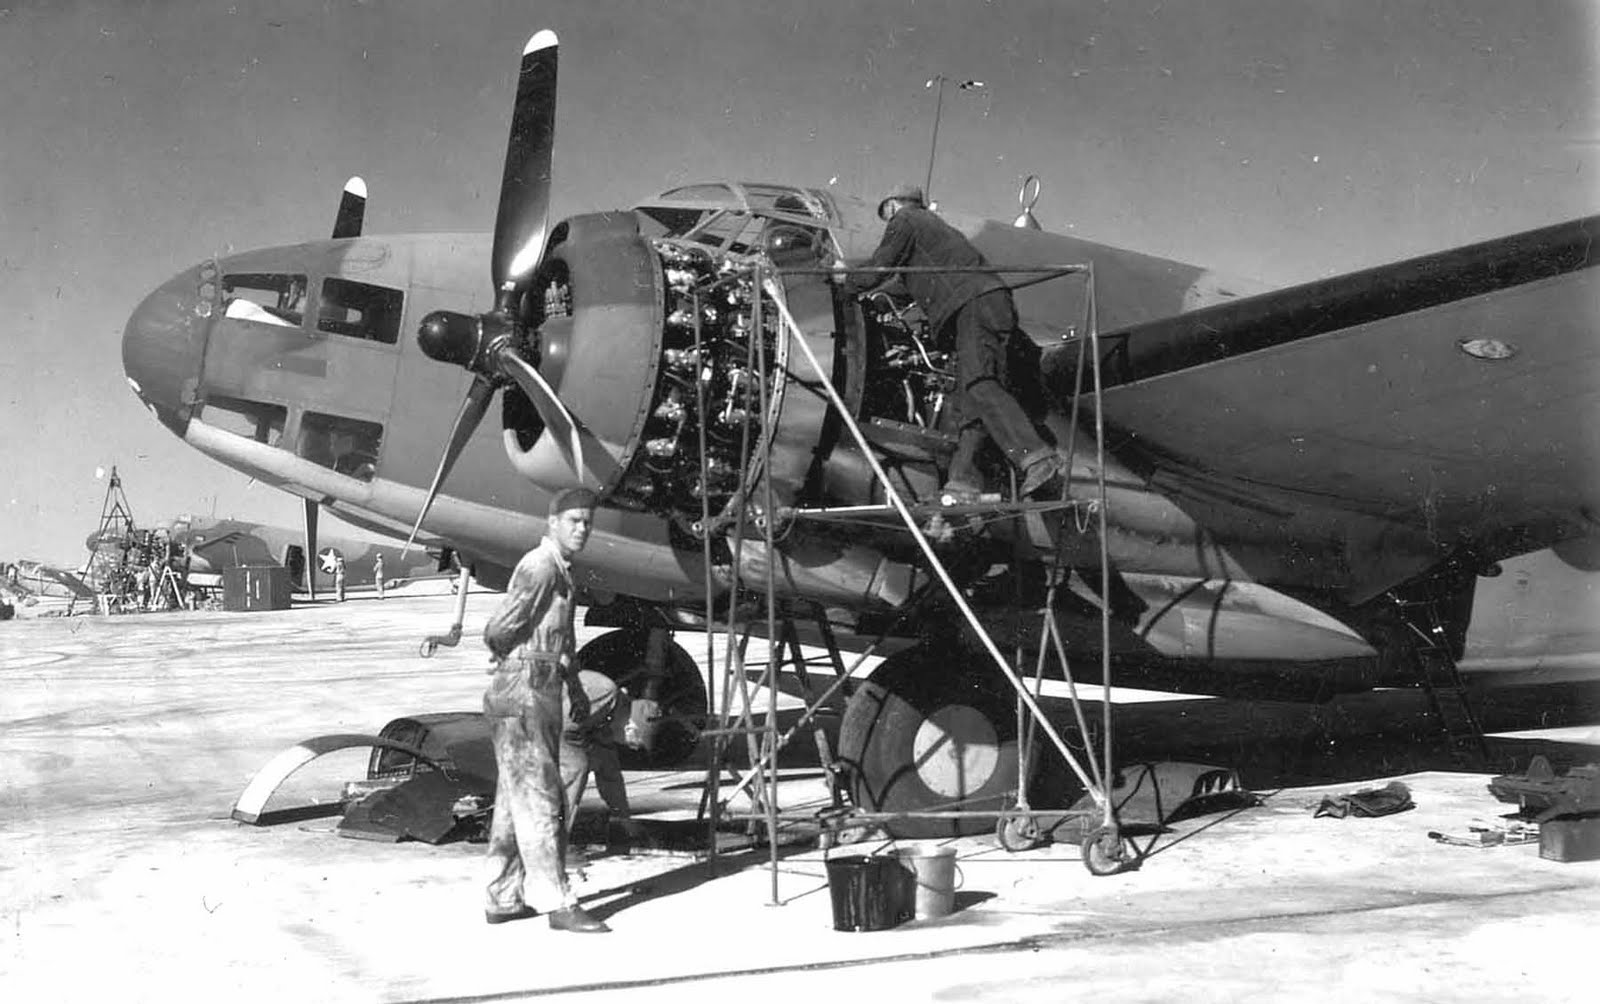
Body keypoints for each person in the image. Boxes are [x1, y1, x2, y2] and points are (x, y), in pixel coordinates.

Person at [841, 183, 1066, 502]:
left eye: (885, 212)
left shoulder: (906, 221)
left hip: (974, 304)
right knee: (968, 405)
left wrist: (844, 285)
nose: (887, 220)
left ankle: (1039, 458)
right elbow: (903, 284)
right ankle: (963, 483)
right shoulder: (932, 236)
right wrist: (874, 298)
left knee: (980, 383)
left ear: (894, 205)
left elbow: (881, 265)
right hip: (977, 304)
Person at [479, 486, 611, 933]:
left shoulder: (560, 571)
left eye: (587, 523)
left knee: (514, 796)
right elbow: (499, 628)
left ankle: (502, 895)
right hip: (524, 688)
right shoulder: (540, 567)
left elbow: (562, 641)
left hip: (542, 685)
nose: (581, 529)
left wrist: (570, 683)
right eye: (573, 521)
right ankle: (557, 901)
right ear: (552, 523)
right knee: (540, 796)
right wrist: (511, 656)